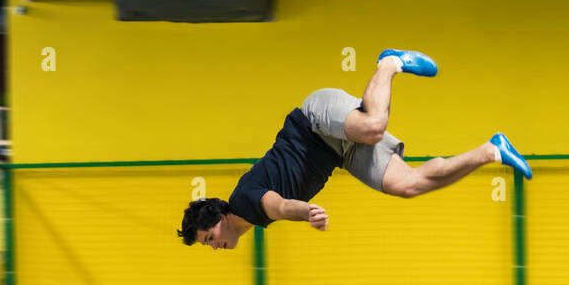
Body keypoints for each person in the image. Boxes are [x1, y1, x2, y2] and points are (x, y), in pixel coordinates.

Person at [176, 49, 532, 249]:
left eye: (209, 238)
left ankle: (389, 63)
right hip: (340, 153)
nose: (214, 246)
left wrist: (306, 213)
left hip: (314, 122)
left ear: (220, 219)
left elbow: (281, 205)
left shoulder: (244, 203)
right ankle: (492, 151)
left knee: (373, 127)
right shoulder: (250, 221)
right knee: (407, 185)